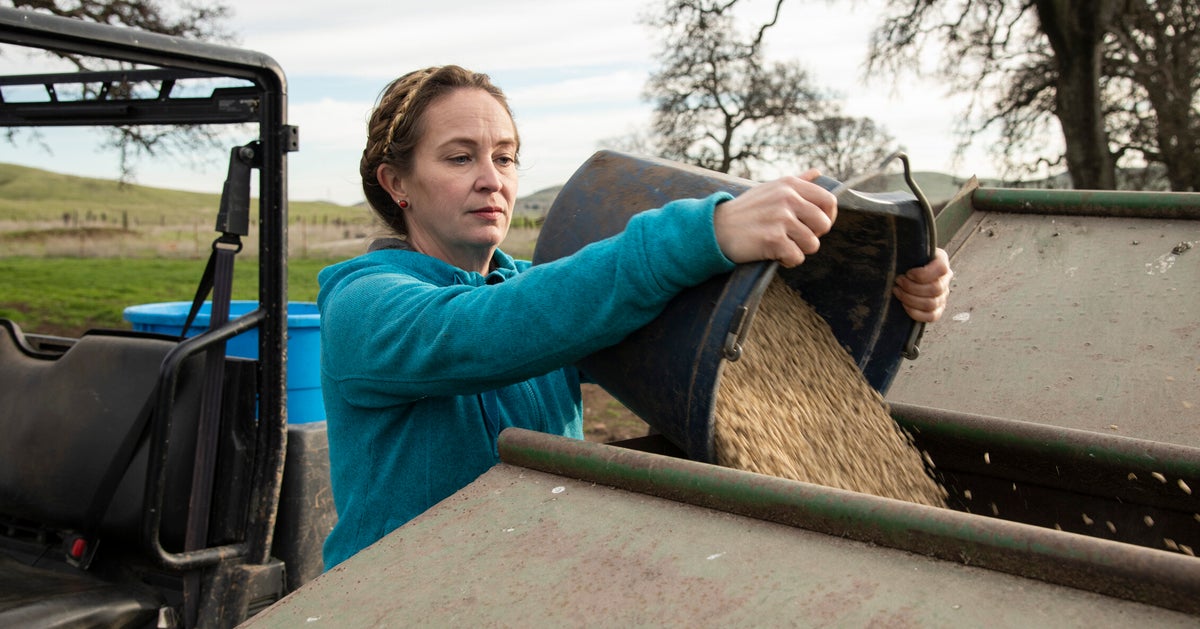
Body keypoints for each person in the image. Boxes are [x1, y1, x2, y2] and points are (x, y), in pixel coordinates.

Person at [317, 65, 953, 570]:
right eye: (460, 158)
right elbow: (485, 329)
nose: (493, 180)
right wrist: (710, 229)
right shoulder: (367, 305)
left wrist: (889, 294)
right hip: (399, 600)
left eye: (505, 157)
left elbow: (701, 339)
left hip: (529, 586)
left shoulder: (539, 292)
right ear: (397, 183)